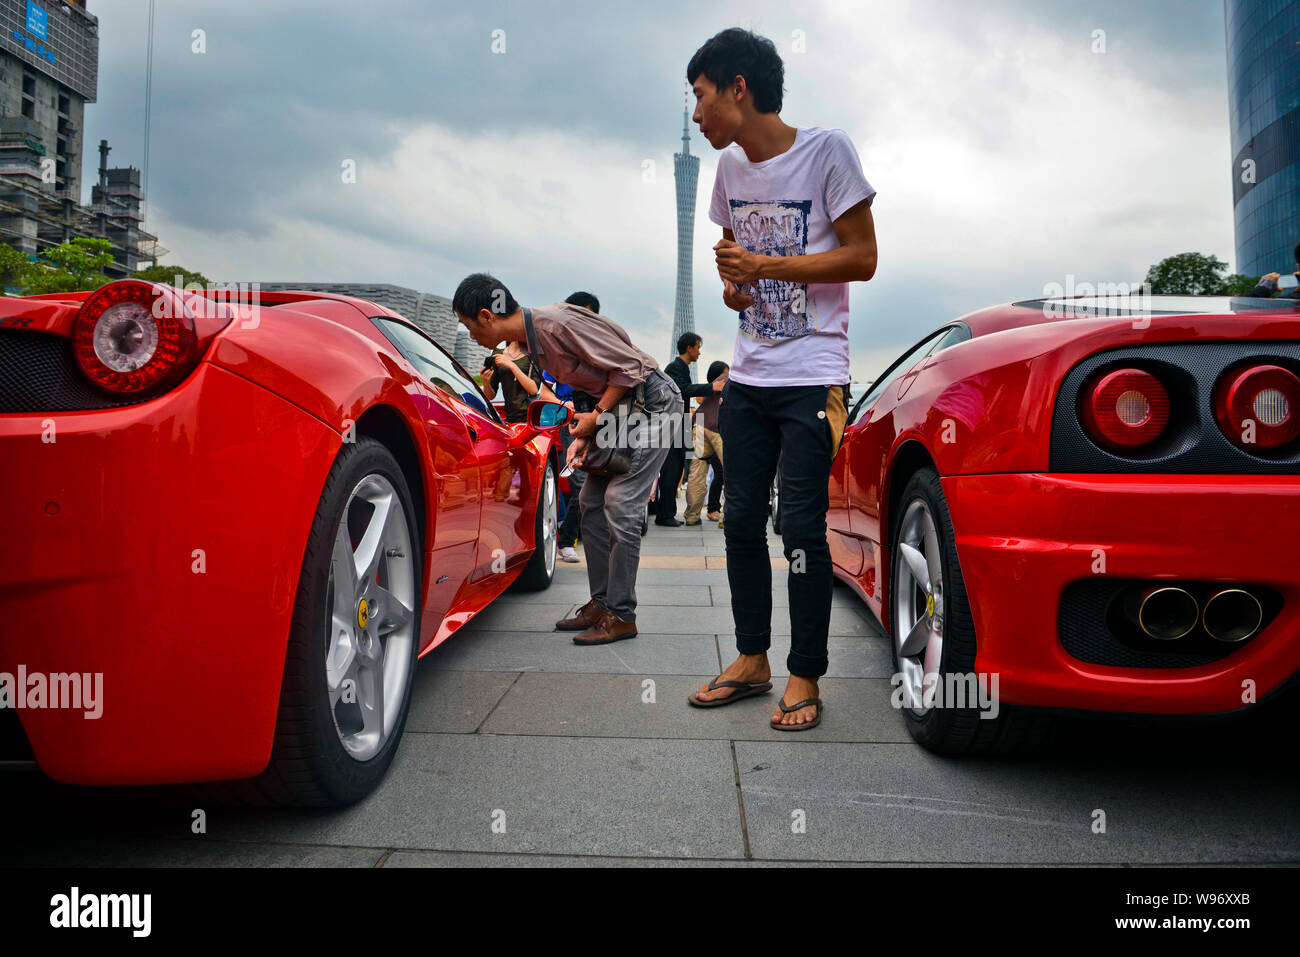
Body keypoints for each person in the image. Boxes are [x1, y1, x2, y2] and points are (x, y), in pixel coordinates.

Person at [684, 28, 878, 730]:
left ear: (740, 88)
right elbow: (739, 284)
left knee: (798, 524)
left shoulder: (827, 151)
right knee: (738, 519)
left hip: (814, 374)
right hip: (750, 376)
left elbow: (862, 258)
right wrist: (738, 286)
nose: (697, 113)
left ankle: (806, 673)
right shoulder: (730, 172)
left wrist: (764, 267)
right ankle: (752, 657)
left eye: (701, 96)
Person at [454, 273, 681, 645]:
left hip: (653, 405)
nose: (470, 335)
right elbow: (596, 377)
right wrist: (590, 430)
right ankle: (602, 602)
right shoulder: (535, 341)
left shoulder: (556, 324)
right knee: (590, 501)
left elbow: (630, 367)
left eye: (467, 326)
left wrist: (599, 415)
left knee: (620, 503)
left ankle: (621, 615)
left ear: (485, 315)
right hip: (620, 410)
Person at [554, 290, 603, 563]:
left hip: (598, 419)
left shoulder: (597, 345)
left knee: (596, 481)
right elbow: (544, 389)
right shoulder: (561, 348)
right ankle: (565, 539)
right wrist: (568, 406)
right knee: (581, 483)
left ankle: (581, 535)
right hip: (571, 421)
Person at [655, 332, 722, 525]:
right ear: (689, 348)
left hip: (682, 422)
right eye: (698, 347)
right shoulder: (676, 367)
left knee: (678, 469)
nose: (699, 352)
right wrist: (712, 387)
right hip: (674, 423)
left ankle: (668, 513)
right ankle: (664, 515)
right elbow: (683, 389)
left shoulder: (681, 367)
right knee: (671, 469)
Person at [684, 360, 729, 525]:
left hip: (700, 423)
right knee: (731, 471)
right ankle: (726, 517)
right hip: (718, 427)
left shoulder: (708, 387)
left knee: (696, 471)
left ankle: (692, 516)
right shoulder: (729, 379)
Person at [480, 340, 553, 424]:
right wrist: (485, 381)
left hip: (529, 419)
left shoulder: (534, 355)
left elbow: (534, 390)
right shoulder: (498, 354)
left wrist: (512, 366)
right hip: (509, 419)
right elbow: (490, 396)